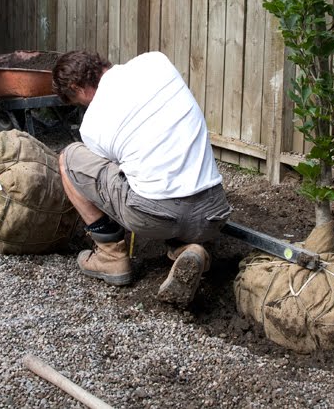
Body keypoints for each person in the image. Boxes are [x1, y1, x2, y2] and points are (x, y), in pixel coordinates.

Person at [52, 50, 232, 305]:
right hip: (213, 214)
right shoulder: (156, 61)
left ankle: (110, 256)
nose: (83, 107)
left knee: (69, 158)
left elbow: (115, 173)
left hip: (156, 218)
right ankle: (188, 249)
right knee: (158, 166)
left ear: (75, 87)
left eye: (76, 100)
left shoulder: (92, 125)